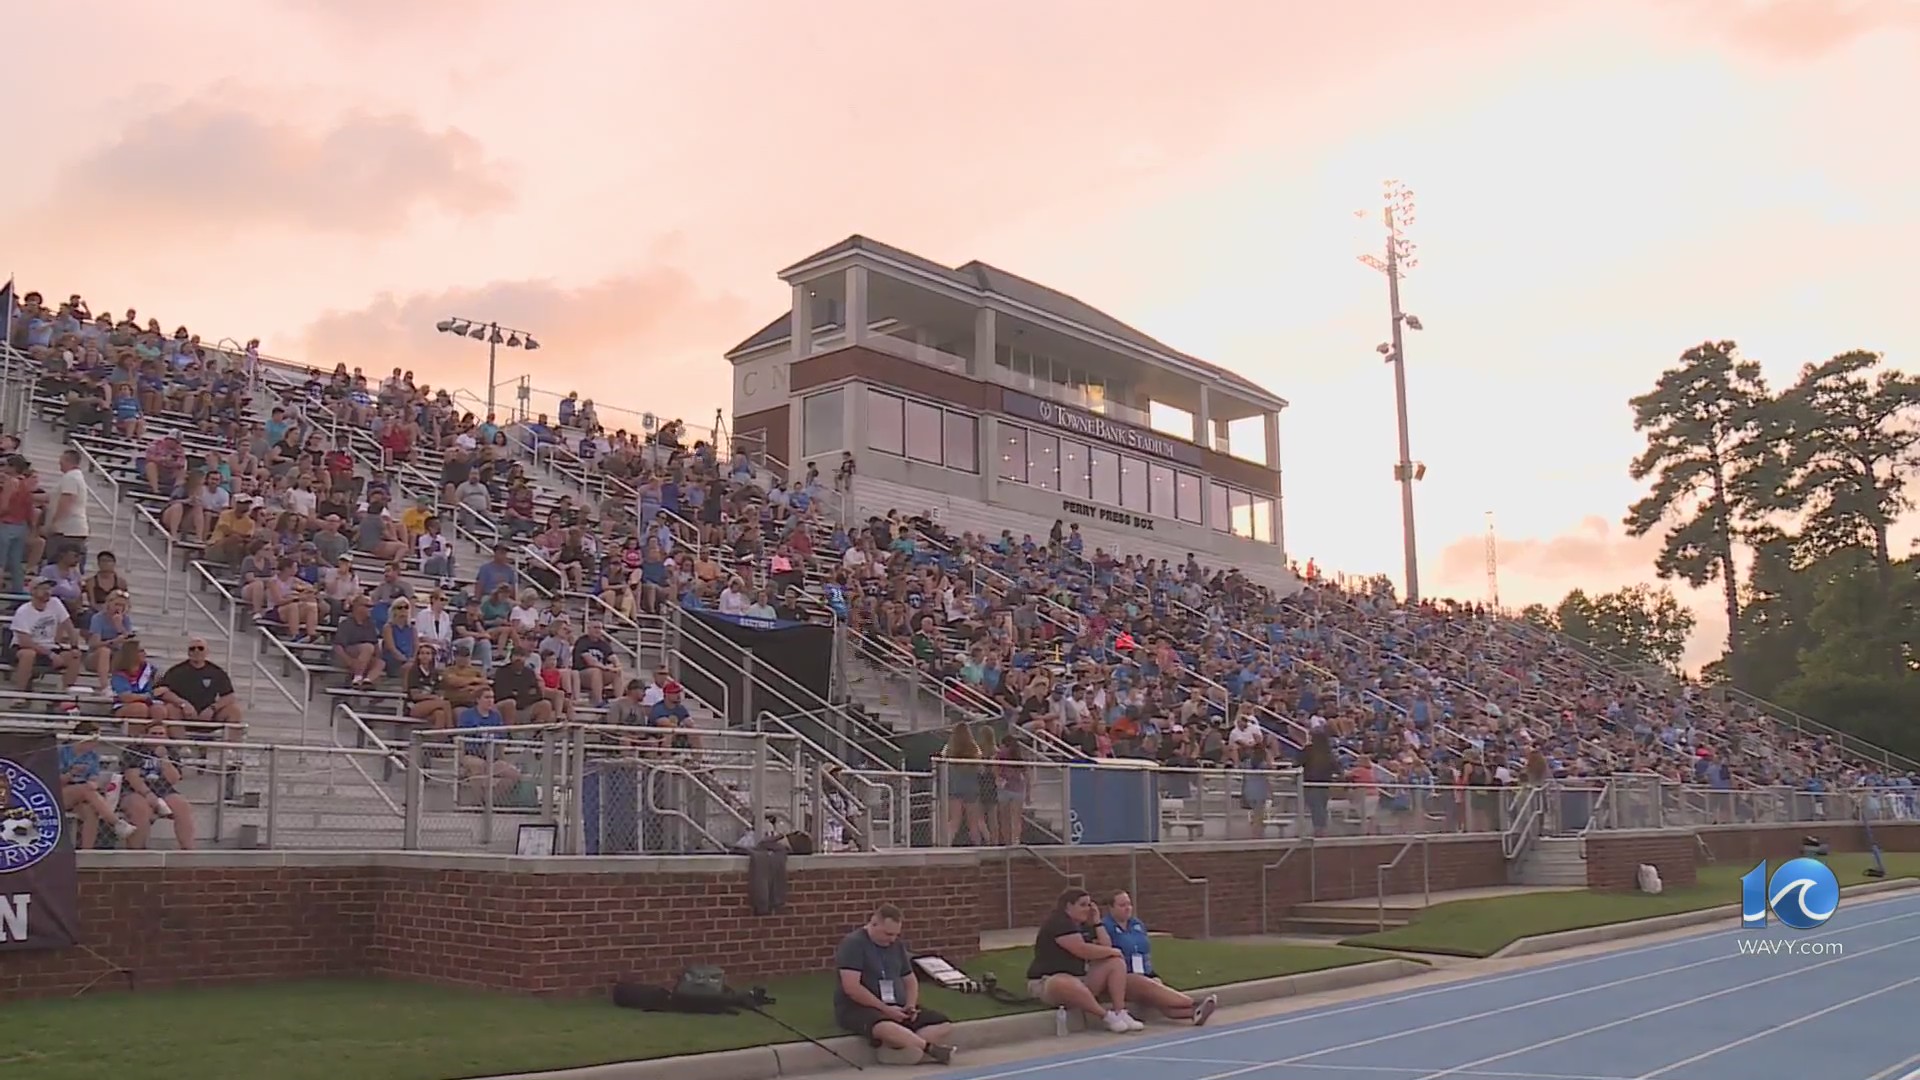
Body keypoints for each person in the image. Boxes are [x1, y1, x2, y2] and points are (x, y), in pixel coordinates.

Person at [832, 903, 956, 1064]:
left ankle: (904, 1047)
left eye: (896, 935)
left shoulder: (896, 946)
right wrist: (886, 1010)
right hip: (862, 1008)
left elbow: (910, 980)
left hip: (896, 1006)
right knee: (885, 1026)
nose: (892, 939)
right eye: (888, 934)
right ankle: (930, 1050)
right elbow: (852, 988)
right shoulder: (853, 944)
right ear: (874, 923)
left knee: (944, 1024)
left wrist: (910, 1006)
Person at [1026, 887, 1141, 1033]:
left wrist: (1097, 922)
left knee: (1115, 962)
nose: (1087, 909)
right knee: (1064, 982)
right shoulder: (1058, 922)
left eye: (1089, 905)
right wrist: (1113, 951)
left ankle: (1120, 1011)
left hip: (1079, 978)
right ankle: (1106, 1016)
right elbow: (1081, 950)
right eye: (1082, 905)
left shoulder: (1085, 924)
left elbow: (1106, 946)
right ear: (1068, 906)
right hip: (1048, 981)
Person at [1097, 891, 1217, 1025]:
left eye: (1129, 904)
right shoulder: (1105, 927)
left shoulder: (1136, 924)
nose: (1127, 908)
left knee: (1160, 999)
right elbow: (1105, 948)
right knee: (1149, 986)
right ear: (1111, 908)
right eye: (1122, 905)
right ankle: (1194, 1002)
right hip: (1125, 976)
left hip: (1145, 971)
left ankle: (1193, 1013)